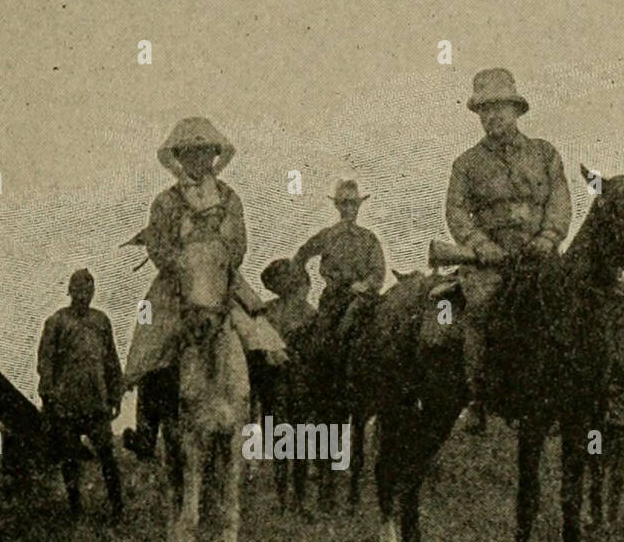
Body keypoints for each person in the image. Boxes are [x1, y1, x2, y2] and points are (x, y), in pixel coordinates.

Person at [121, 117, 286, 459]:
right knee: (152, 345)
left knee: (264, 341)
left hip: (223, 280)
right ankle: (147, 432)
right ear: (180, 157)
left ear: (214, 155)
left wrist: (217, 263)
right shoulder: (166, 201)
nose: (201, 160)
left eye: (206, 152)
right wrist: (184, 266)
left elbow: (239, 244)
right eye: (192, 153)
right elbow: (158, 246)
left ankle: (267, 426)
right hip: (176, 286)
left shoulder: (229, 198)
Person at [445, 69, 571, 433]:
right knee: (480, 311)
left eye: (499, 108)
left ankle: (579, 396)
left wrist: (549, 237)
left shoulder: (544, 153)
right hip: (491, 261)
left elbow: (560, 200)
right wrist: (481, 245)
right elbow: (456, 210)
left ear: (516, 111)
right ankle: (478, 400)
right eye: (484, 110)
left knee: (573, 307)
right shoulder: (466, 164)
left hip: (541, 254)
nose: (492, 116)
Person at [37, 269, 123, 521]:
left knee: (106, 454)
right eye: (79, 290)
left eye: (88, 290)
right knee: (69, 457)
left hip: (96, 402)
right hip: (66, 403)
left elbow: (111, 361)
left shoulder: (101, 321)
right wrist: (49, 398)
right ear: (70, 292)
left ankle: (117, 507)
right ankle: (74, 508)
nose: (84, 296)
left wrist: (115, 395)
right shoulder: (57, 322)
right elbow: (45, 362)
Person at [293, 181, 385, 403]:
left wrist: (366, 284)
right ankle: (324, 387)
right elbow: (301, 255)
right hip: (336, 297)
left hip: (364, 296)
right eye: (344, 204)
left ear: (359, 207)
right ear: (337, 207)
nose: (349, 209)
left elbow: (378, 271)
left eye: (353, 204)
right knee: (323, 338)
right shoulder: (328, 236)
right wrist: (302, 284)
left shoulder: (369, 238)